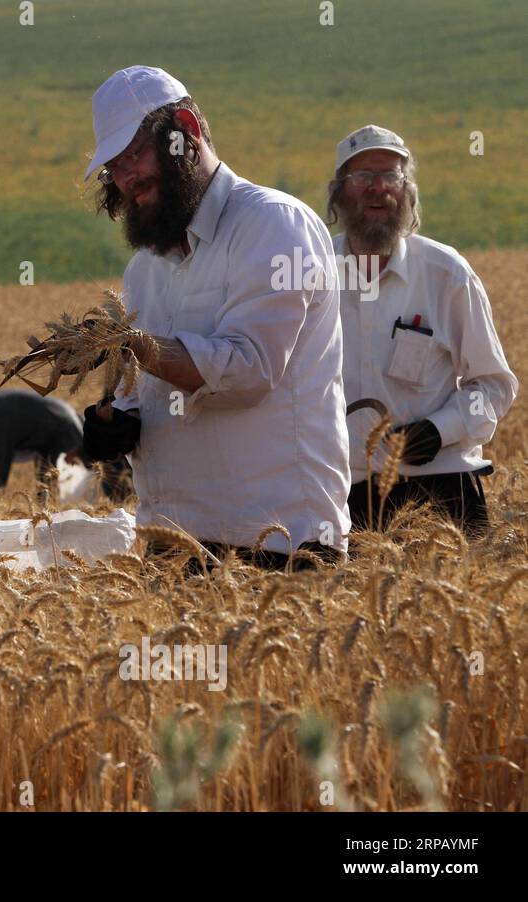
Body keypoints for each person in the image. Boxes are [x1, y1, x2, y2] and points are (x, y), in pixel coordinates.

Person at [79, 66, 351, 571]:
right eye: (112, 167)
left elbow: (249, 371)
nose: (125, 178)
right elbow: (141, 392)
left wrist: (137, 345)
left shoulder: (272, 225)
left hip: (277, 546)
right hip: (174, 545)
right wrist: (116, 424)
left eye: (134, 154)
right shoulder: (144, 270)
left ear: (186, 128)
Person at [328, 125, 517, 536]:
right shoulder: (312, 272)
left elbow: (495, 386)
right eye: (362, 177)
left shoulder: (446, 274)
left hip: (442, 491)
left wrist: (439, 429)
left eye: (392, 176)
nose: (378, 188)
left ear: (407, 191)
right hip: (342, 495)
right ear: (339, 193)